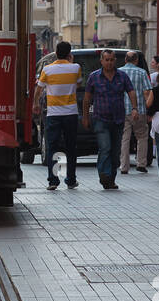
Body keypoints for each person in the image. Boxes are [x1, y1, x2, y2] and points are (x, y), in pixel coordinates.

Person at [82, 48, 138, 190]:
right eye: (106, 60)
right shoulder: (94, 77)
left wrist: (135, 108)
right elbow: (87, 98)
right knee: (105, 147)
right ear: (101, 61)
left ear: (115, 60)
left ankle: (111, 178)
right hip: (100, 119)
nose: (109, 62)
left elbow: (131, 91)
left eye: (112, 60)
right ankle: (104, 174)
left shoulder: (122, 76)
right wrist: (85, 117)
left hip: (118, 119)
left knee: (115, 152)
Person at [36, 40, 81, 190]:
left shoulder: (47, 70)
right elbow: (78, 84)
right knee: (71, 147)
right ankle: (71, 179)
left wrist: (35, 104)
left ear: (55, 52)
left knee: (53, 147)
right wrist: (71, 62)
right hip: (71, 113)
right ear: (69, 54)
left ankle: (54, 180)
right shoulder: (75, 68)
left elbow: (39, 88)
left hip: (53, 114)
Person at [119, 51, 152, 175]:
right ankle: (141, 164)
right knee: (142, 137)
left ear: (125, 60)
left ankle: (124, 166)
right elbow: (147, 92)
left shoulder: (119, 72)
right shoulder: (142, 72)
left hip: (122, 110)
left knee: (124, 138)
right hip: (139, 110)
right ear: (136, 60)